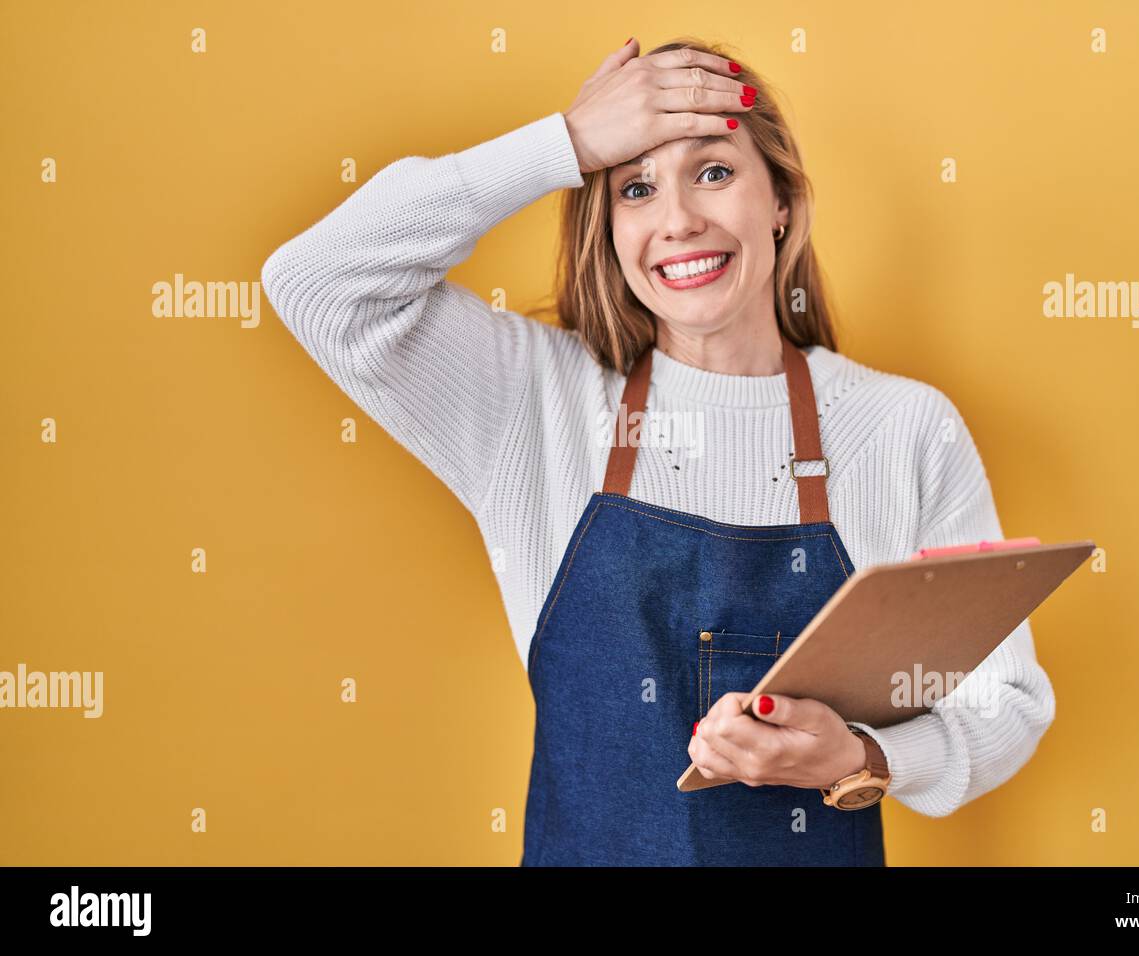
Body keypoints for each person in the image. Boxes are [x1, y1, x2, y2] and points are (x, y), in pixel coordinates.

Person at [261, 36, 1056, 866]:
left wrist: (861, 757)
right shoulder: (533, 403)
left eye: (713, 171)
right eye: (635, 186)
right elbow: (315, 280)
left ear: (780, 199)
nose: (678, 220)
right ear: (606, 227)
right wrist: (563, 143)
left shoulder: (903, 429)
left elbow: (1008, 702)